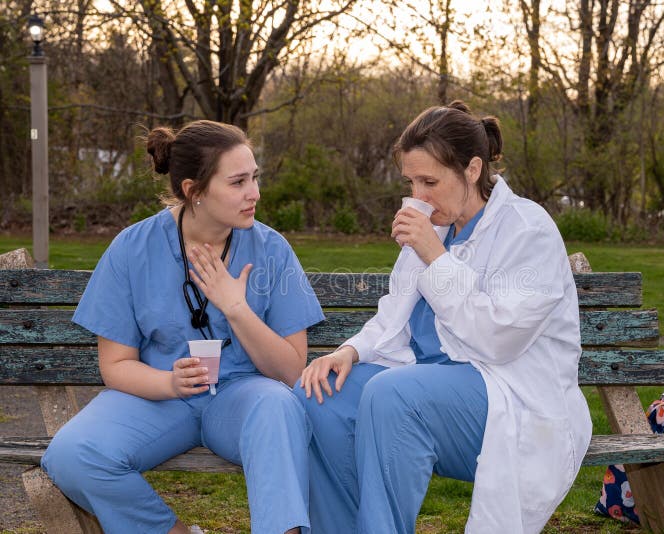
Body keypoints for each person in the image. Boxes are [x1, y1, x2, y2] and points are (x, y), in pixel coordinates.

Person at [294, 101, 592, 533]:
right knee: (319, 392)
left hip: (510, 395)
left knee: (393, 394)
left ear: (472, 169)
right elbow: (393, 314)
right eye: (412, 182)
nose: (419, 196)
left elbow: (498, 338)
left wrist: (435, 256)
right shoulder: (434, 227)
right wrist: (349, 351)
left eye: (430, 181)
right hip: (425, 384)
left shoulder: (527, 229)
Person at [41, 120, 324, 534]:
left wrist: (236, 308)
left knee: (279, 408)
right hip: (160, 399)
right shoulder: (132, 248)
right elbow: (116, 364)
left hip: (242, 397)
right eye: (238, 182)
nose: (255, 193)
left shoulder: (272, 249)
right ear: (193, 191)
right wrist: (168, 383)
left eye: (255, 178)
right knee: (71, 455)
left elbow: (291, 372)